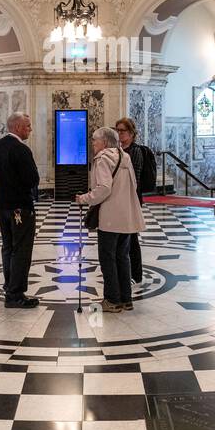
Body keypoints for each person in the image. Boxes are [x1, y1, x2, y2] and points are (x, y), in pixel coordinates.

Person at [76, 126, 146, 313]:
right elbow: (134, 184)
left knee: (108, 258)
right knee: (122, 257)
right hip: (126, 216)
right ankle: (126, 299)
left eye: (94, 140)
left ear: (104, 142)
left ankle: (112, 300)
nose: (92, 143)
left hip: (110, 217)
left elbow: (104, 188)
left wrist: (84, 198)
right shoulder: (125, 156)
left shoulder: (102, 159)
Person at [0, 112, 39, 308]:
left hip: (1, 206)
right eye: (28, 126)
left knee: (8, 247)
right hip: (20, 207)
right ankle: (16, 294)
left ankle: (10, 287)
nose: (30, 130)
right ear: (17, 127)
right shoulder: (20, 150)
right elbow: (32, 180)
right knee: (21, 249)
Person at [115, 117, 157, 284]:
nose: (119, 133)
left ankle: (135, 274)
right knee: (121, 237)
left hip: (131, 199)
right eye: (117, 130)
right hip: (118, 199)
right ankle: (124, 271)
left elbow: (136, 179)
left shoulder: (136, 151)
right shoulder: (117, 149)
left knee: (131, 238)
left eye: (122, 130)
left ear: (131, 133)